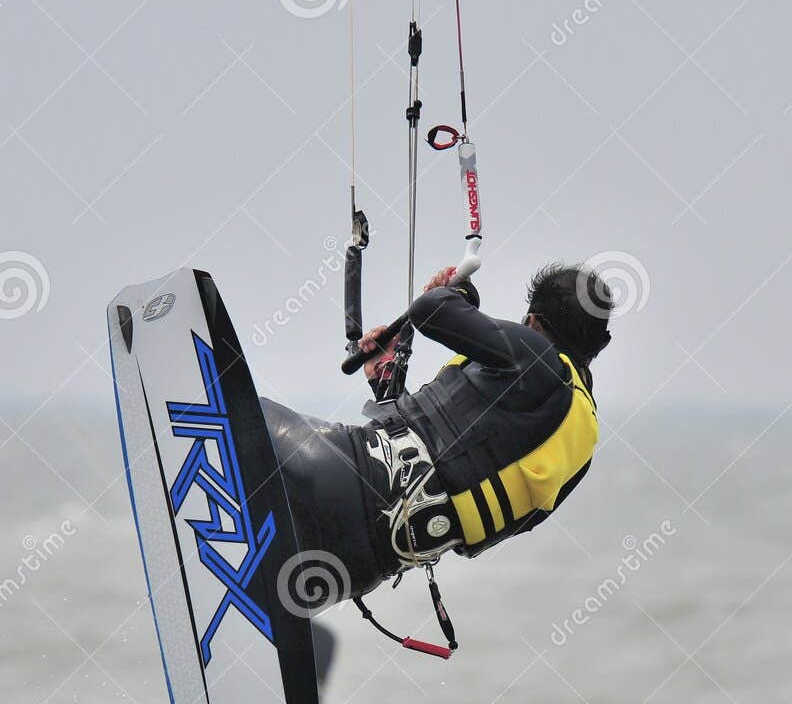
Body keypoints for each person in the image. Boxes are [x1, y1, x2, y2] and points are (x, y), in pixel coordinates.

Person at [260, 262, 611, 611]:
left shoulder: (535, 354)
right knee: (265, 588)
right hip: (364, 564)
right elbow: (455, 477)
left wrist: (458, 293)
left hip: (335, 476)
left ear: (532, 321)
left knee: (237, 406)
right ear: (602, 344)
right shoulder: (578, 445)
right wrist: (386, 380)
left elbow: (430, 311)